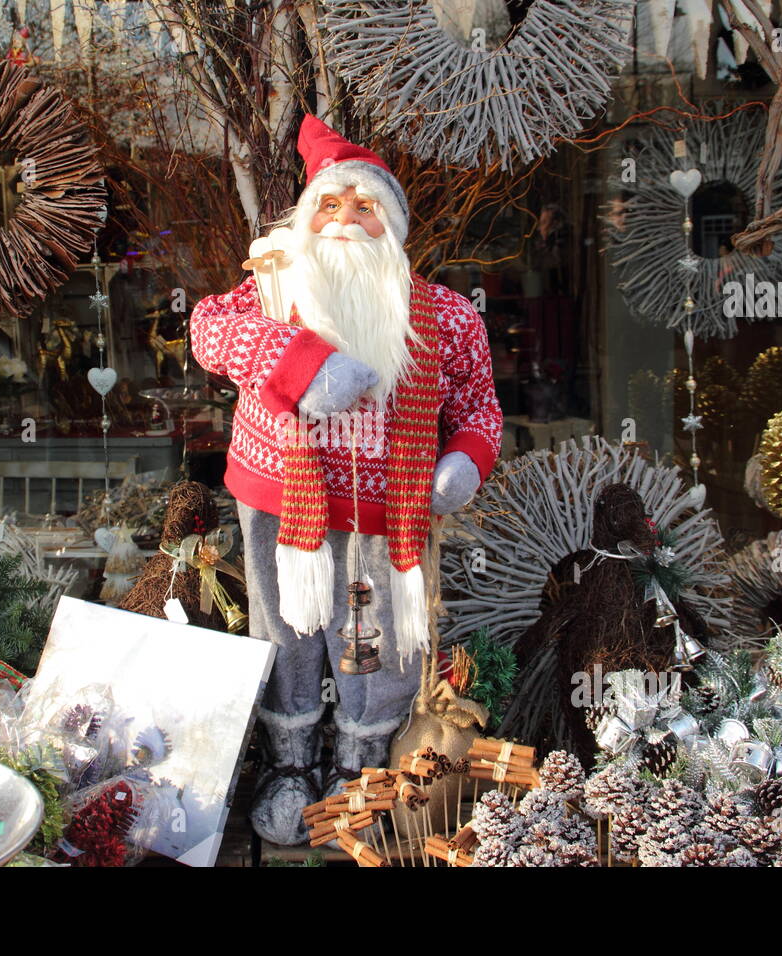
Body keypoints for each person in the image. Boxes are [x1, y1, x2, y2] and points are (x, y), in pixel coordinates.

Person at [191, 116, 502, 844]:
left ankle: (362, 764)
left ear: (390, 224)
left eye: (365, 207)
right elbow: (207, 330)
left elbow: (479, 404)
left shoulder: (443, 315)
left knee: (372, 639)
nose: (345, 220)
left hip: (381, 515)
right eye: (330, 204)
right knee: (286, 632)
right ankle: (290, 761)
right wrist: (300, 365)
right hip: (278, 500)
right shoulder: (271, 295)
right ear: (305, 216)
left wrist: (463, 462)